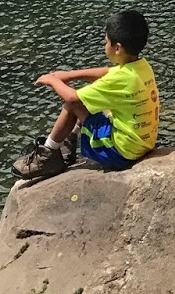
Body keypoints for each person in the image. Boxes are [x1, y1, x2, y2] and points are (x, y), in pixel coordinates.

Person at [12, 9, 160, 182]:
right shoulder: (141, 66)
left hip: (121, 152)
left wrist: (53, 81)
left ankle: (48, 155)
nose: (105, 46)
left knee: (74, 104)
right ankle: (67, 145)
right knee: (95, 99)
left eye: (106, 42)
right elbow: (106, 72)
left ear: (117, 48)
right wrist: (70, 75)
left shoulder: (119, 79)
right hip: (142, 143)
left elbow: (73, 99)